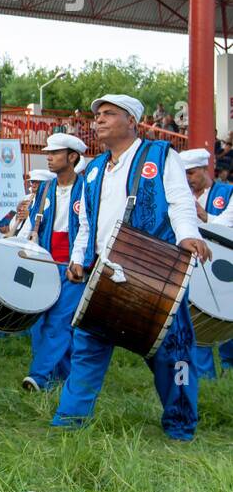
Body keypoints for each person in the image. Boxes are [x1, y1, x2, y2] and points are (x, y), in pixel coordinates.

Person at [52, 95, 211, 441]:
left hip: (154, 273)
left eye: (109, 114)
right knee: (88, 346)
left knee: (175, 354)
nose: (99, 120)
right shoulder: (92, 169)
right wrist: (78, 257)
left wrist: (186, 236)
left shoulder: (160, 155)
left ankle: (181, 425)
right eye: (97, 115)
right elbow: (84, 220)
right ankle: (69, 422)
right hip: (104, 273)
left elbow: (180, 200)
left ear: (132, 122)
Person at [18, 133, 87, 391]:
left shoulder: (87, 189)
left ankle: (39, 376)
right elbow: (30, 224)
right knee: (40, 322)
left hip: (73, 267)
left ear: (72, 157)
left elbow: (87, 229)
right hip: (45, 265)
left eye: (55, 153)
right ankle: (63, 377)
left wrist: (79, 260)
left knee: (59, 321)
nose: (49, 157)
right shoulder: (46, 188)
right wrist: (20, 246)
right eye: (48, 153)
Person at [178, 147, 233, 378]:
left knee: (227, 316)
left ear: (204, 169)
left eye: (191, 173)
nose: (188, 180)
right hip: (195, 268)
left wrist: (205, 217)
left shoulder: (227, 192)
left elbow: (228, 226)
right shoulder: (180, 196)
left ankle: (229, 369)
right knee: (197, 321)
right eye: (184, 175)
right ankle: (205, 376)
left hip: (225, 267)